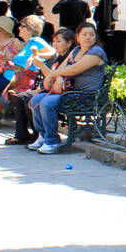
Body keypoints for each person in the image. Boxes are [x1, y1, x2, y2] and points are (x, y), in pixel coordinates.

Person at [30, 22, 108, 154]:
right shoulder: (76, 50)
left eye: (91, 34)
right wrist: (59, 77)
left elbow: (75, 69)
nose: (88, 37)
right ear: (78, 37)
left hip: (85, 96)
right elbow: (62, 68)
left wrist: (54, 75)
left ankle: (52, 141)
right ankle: (43, 135)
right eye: (84, 34)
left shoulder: (96, 53)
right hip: (70, 94)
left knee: (47, 102)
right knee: (35, 100)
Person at [6, 28, 73, 146]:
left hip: (58, 91)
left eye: (58, 41)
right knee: (22, 97)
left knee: (28, 98)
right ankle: (23, 135)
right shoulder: (59, 57)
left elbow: (53, 76)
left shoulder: (69, 58)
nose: (55, 44)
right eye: (54, 41)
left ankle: (39, 135)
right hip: (49, 88)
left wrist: (40, 64)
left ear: (69, 43)